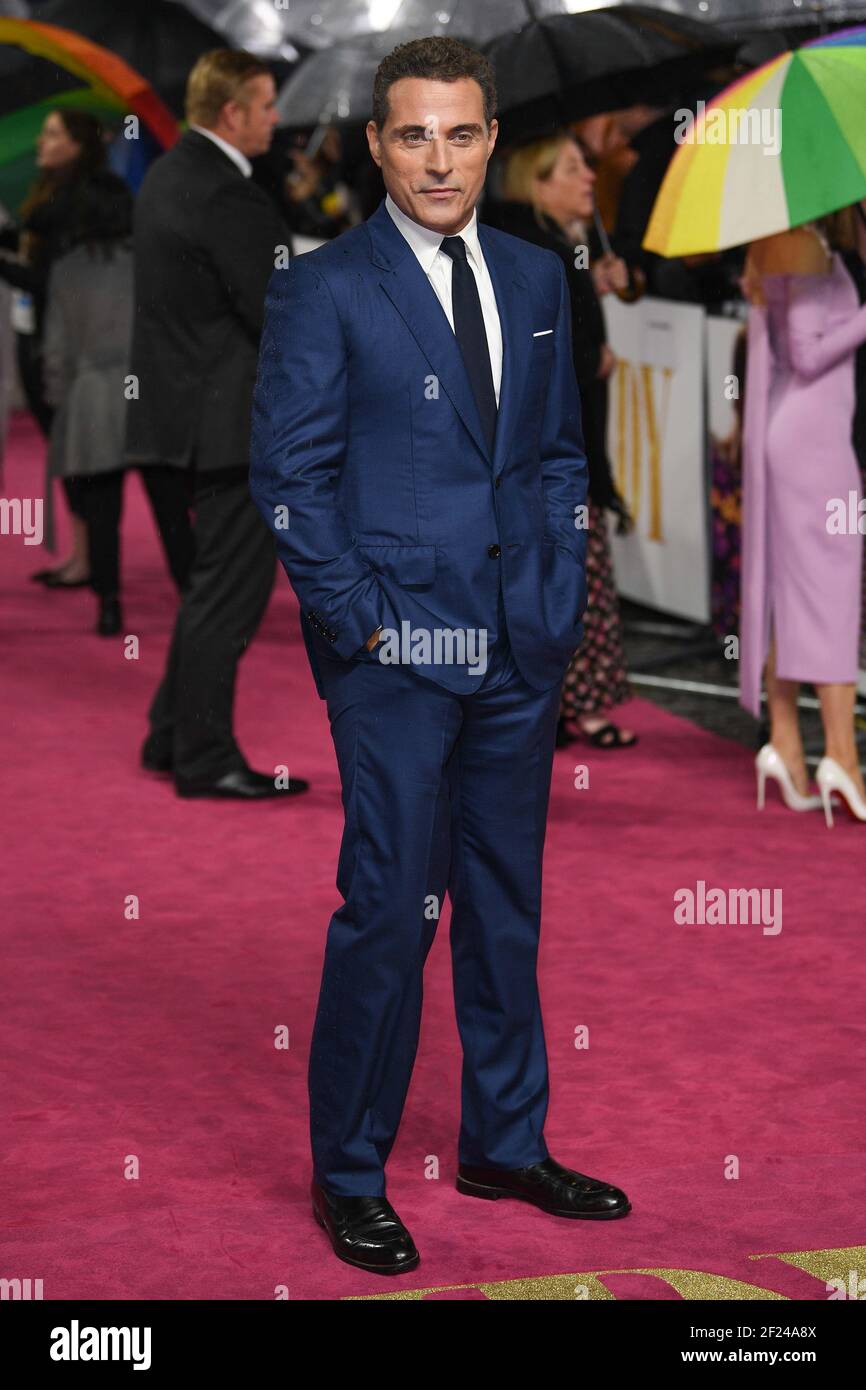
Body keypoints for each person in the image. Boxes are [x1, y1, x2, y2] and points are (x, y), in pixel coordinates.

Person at [250, 35, 631, 1277]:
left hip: (520, 645)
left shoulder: (530, 276)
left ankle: (503, 1141)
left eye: (459, 133)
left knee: (505, 909)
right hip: (394, 660)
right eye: (411, 134)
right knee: (388, 913)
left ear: (487, 138)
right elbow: (289, 483)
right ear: (375, 144)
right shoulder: (326, 287)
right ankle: (348, 1169)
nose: (437, 157)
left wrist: (554, 588)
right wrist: (362, 621)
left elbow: (561, 448)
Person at [127, 49, 309, 800]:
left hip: (179, 416)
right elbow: (278, 311)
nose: (276, 117)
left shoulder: (170, 174)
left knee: (212, 582)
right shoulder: (228, 194)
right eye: (266, 104)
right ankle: (203, 755)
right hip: (229, 424)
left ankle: (171, 731)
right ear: (232, 112)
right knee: (230, 590)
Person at [491, 134, 637, 749]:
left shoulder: (556, 250)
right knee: (575, 576)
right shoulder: (542, 254)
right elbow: (541, 353)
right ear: (539, 182)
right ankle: (582, 706)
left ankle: (555, 707)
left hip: (551, 454)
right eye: (573, 169)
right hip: (559, 455)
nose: (588, 179)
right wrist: (591, 359)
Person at [740, 220, 866, 824]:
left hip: (801, 436)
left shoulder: (785, 242)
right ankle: (841, 755)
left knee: (796, 598)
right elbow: (807, 352)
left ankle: (787, 745)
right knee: (832, 597)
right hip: (812, 446)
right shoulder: (802, 244)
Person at [0, 110, 122, 584]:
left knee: (79, 452)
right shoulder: (50, 194)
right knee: (63, 448)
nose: (41, 142)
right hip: (41, 336)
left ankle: (89, 558)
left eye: (53, 134)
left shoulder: (85, 200)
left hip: (68, 344)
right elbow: (36, 248)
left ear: (77, 144)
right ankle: (81, 554)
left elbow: (50, 277)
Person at [42, 174, 136, 635]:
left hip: (90, 400)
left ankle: (109, 603)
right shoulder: (145, 263)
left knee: (101, 511)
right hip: (146, 396)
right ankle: (196, 594)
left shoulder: (66, 269)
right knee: (174, 505)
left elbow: (55, 350)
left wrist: (60, 402)